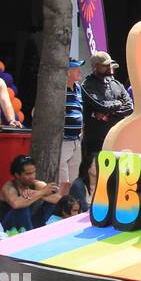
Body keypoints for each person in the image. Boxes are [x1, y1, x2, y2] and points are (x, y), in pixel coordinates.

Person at [79, 50, 133, 181]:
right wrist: (118, 105)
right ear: (95, 66)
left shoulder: (116, 84)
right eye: (105, 65)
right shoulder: (87, 85)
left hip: (117, 139)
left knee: (116, 178)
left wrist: (110, 112)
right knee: (95, 177)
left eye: (110, 64)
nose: (109, 67)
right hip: (96, 142)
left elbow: (130, 107)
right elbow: (101, 106)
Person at [0, 154, 60, 233]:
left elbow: (60, 200)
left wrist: (37, 193)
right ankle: (30, 236)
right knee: (22, 207)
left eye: (33, 172)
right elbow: (16, 204)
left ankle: (48, 231)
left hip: (28, 223)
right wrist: (42, 192)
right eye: (28, 174)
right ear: (17, 175)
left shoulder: (36, 184)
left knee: (51, 204)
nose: (32, 176)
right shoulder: (9, 187)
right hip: (9, 228)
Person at [60, 58, 84, 187]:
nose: (80, 71)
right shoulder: (59, 89)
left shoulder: (78, 88)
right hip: (63, 141)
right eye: (76, 68)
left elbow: (80, 111)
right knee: (63, 181)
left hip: (76, 141)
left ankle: (72, 206)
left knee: (74, 181)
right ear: (68, 72)